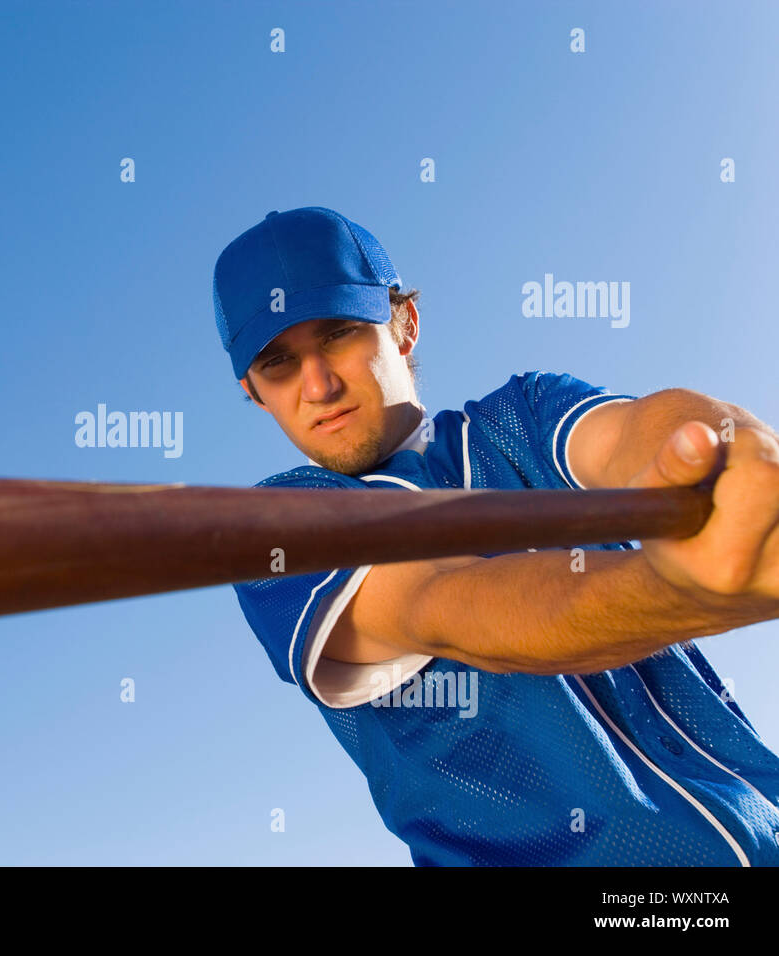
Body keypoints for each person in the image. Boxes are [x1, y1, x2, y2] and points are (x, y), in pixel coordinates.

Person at [213, 206, 779, 865]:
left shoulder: (524, 415)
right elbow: (452, 604)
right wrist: (684, 590)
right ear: (255, 393)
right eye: (279, 363)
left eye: (339, 332)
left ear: (404, 325)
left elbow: (640, 431)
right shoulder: (275, 532)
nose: (318, 385)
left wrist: (730, 458)